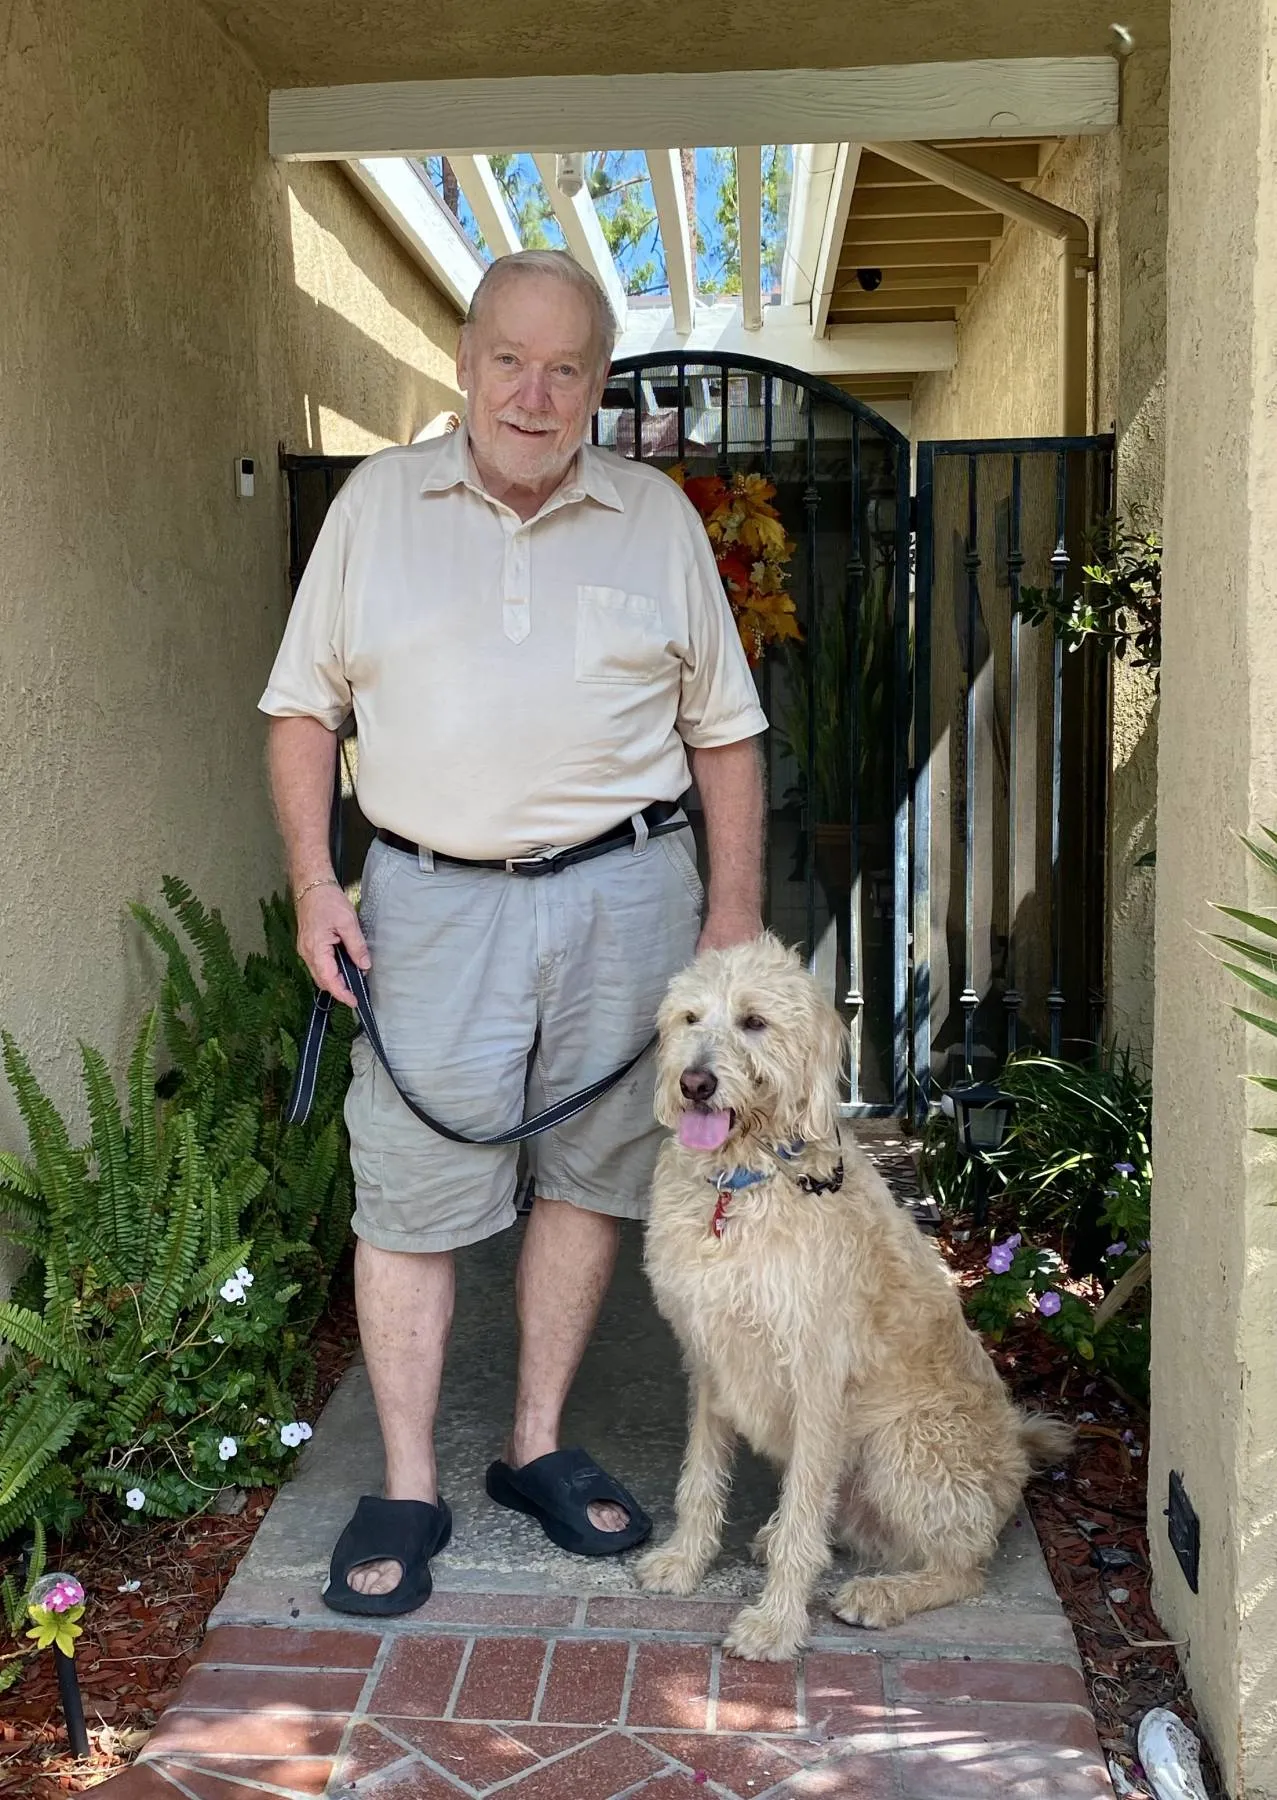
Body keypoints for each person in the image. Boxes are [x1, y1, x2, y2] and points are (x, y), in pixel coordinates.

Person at [259, 248, 767, 1615]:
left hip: (628, 893)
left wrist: (728, 919)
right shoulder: (376, 507)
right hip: (429, 898)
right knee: (412, 1187)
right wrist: (315, 883)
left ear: (599, 386)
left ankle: (534, 1445)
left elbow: (724, 732)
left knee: (595, 1172)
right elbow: (303, 709)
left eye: (566, 370)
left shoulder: (656, 520)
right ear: (465, 364)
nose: (534, 396)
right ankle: (407, 1483)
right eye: (509, 362)